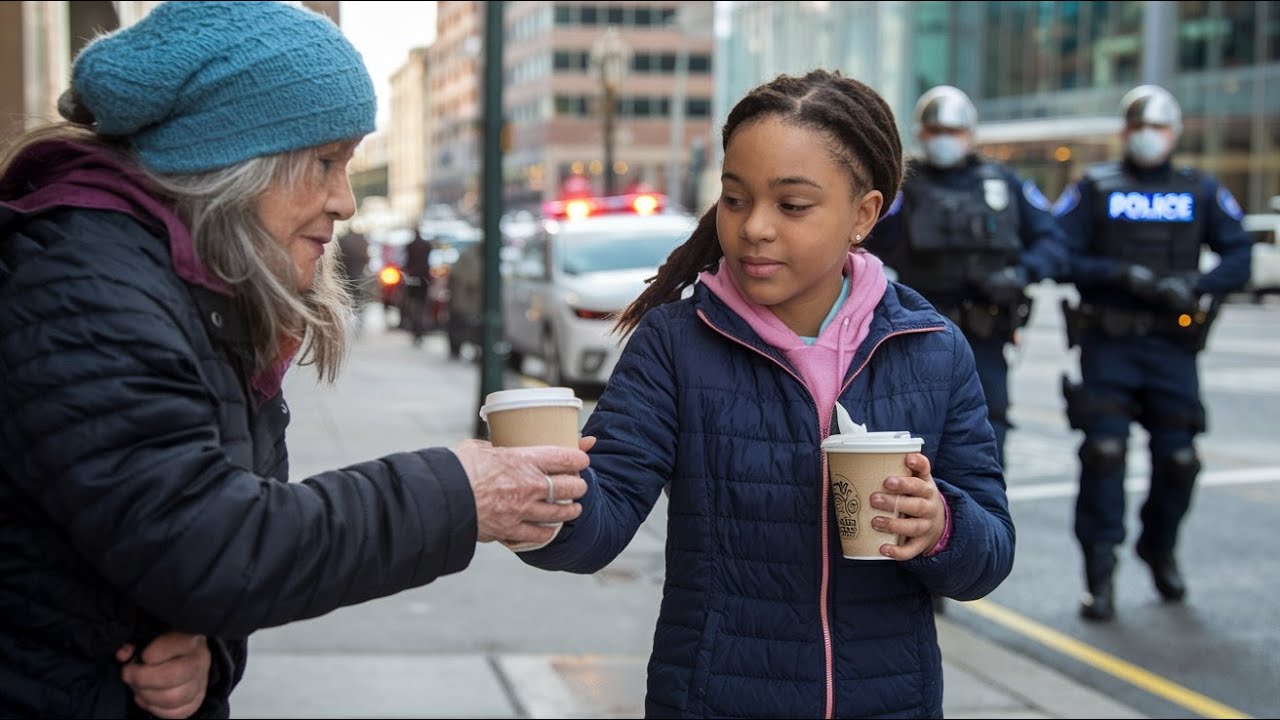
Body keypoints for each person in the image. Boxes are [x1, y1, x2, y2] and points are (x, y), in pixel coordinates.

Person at [0, 2, 588, 717]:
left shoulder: (170, 282)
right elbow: (207, 544)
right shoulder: (84, 289)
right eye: (325, 162)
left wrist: (202, 649)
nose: (344, 201)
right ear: (239, 162)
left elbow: (184, 554)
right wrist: (459, 495)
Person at [515, 69, 1015, 718]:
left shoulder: (932, 346)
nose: (754, 227)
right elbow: (602, 524)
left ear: (862, 214)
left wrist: (941, 524)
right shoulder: (676, 343)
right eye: (735, 198)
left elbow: (991, 551)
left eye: (792, 205)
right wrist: (541, 502)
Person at [1052, 84, 1253, 622]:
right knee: (1104, 455)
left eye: (1158, 128)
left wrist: (1197, 283)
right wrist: (1124, 275)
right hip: (1109, 344)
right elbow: (1058, 254)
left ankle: (1158, 546)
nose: (1148, 137)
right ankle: (1100, 570)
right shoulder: (1095, 187)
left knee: (1180, 460)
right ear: (1125, 132)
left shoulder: (1199, 189)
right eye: (1140, 126)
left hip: (1172, 346)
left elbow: (1241, 254)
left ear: (1175, 134)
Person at [863, 85, 1070, 470]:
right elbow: (860, 239)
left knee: (987, 441)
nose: (944, 140)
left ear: (970, 134)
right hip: (916, 336)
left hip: (985, 334)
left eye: (953, 131)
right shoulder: (901, 186)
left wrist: (1020, 273)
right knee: (914, 440)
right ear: (921, 133)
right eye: (935, 130)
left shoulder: (1005, 184)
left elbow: (1054, 242)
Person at [401, 229, 435, 345]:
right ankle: (418, 327)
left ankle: (416, 327)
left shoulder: (411, 246)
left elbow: (406, 261)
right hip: (423, 278)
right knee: (420, 305)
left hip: (414, 278)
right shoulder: (426, 246)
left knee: (414, 305)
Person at [337, 227, 371, 331]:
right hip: (358, 273)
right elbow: (366, 258)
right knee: (358, 295)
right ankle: (358, 316)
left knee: (348, 296)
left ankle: (351, 316)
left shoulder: (343, 240)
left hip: (346, 273)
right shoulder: (361, 241)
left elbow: (338, 258)